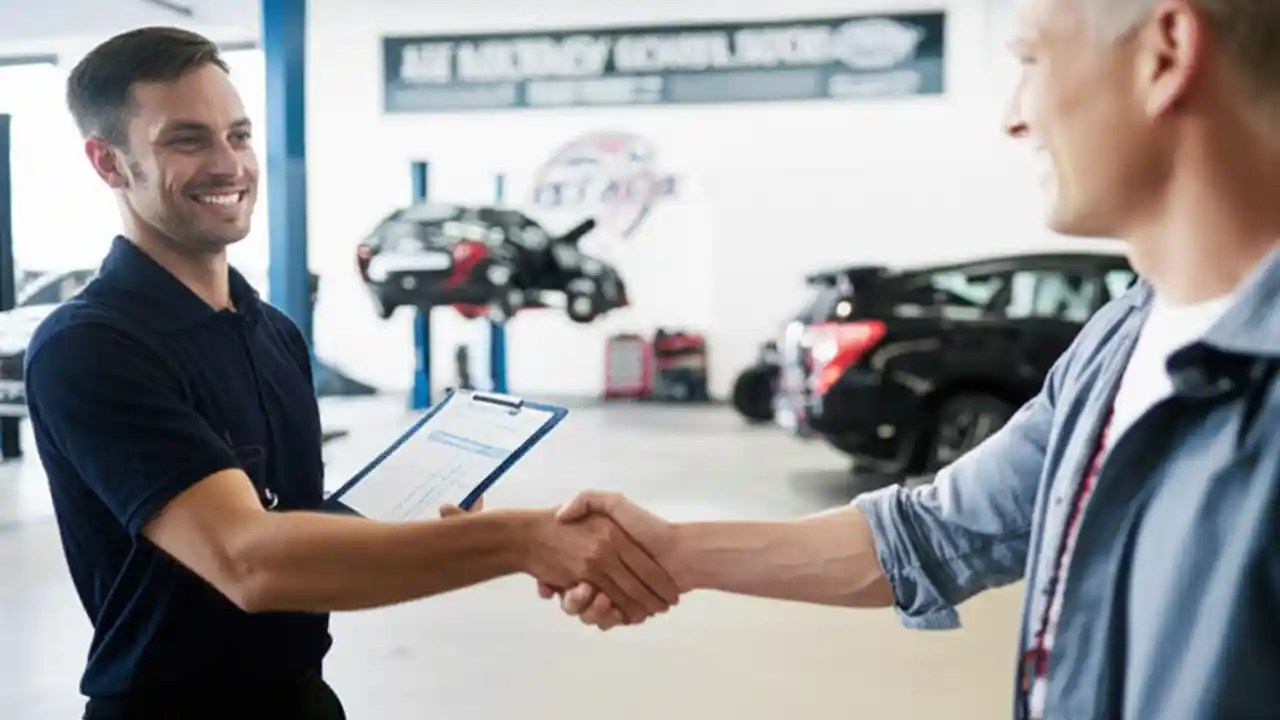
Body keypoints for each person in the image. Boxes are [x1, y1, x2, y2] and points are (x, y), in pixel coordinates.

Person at [543, 0, 1280, 717]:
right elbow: (938, 533)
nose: (1014, 117)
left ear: (1165, 54)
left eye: (1032, 61)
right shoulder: (1118, 344)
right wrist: (671, 552)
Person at [24, 27, 677, 720]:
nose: (229, 164)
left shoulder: (271, 331)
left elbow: (289, 523)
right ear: (109, 163)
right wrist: (517, 540)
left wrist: (415, 524)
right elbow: (249, 560)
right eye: (187, 140)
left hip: (303, 698)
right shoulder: (90, 347)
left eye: (239, 135)